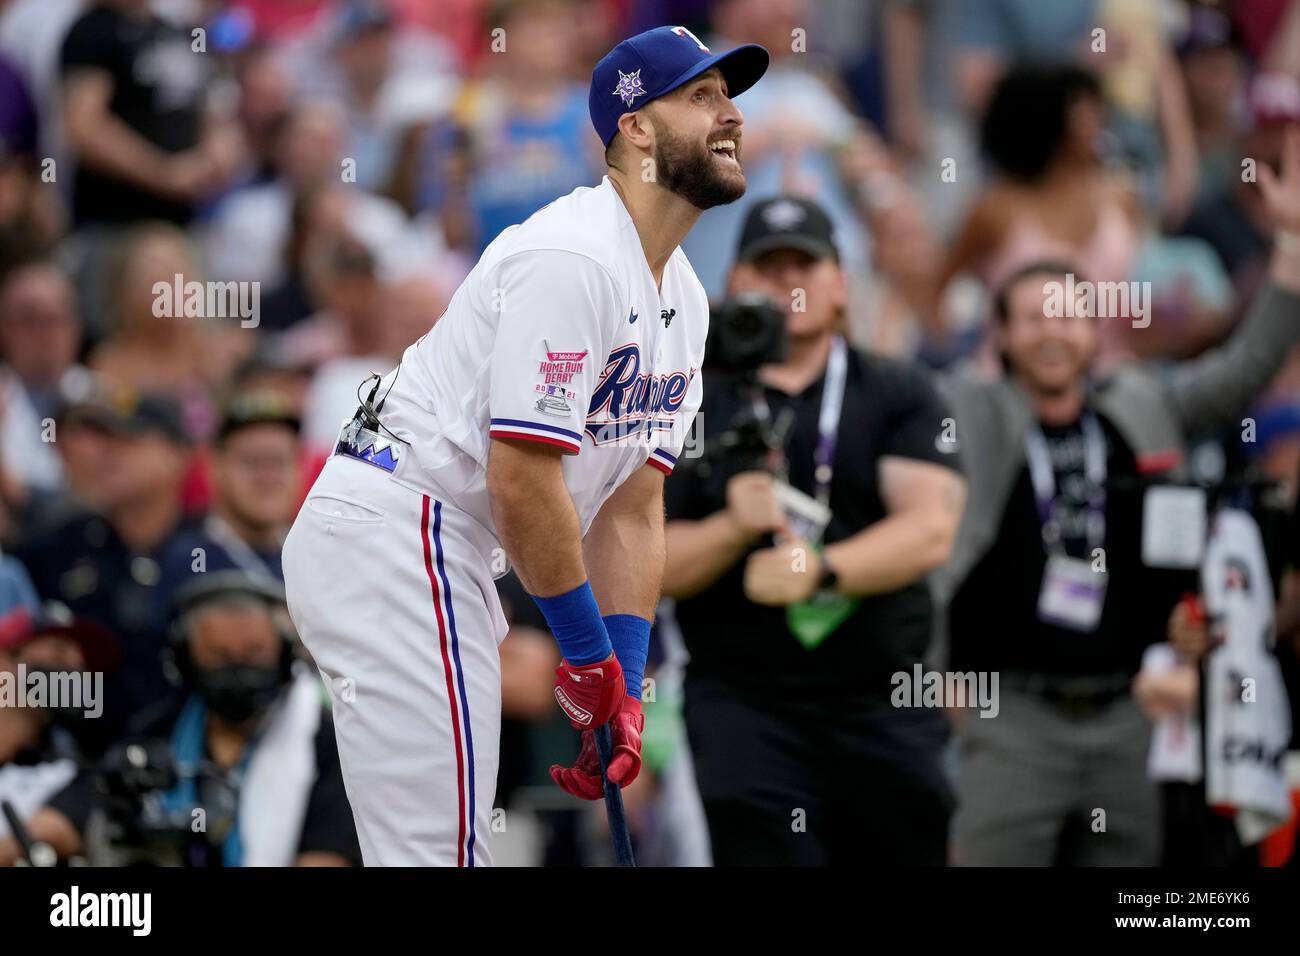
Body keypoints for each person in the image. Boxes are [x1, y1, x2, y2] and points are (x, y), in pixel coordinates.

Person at [282, 25, 769, 866]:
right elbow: (522, 479)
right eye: (702, 96)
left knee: (440, 849)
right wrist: (583, 659)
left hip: (443, 543)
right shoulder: (571, 255)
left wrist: (621, 674)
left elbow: (632, 503)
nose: (730, 115)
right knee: (442, 853)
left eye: (730, 97)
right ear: (637, 128)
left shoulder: (685, 298)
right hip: (402, 522)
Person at [938, 125, 1300, 866]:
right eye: (1032, 318)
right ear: (1000, 339)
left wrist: (1291, 246)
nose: (1051, 333)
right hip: (1011, 718)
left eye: (1067, 314)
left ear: (1094, 331)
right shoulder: (966, 415)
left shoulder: (1141, 404)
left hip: (1131, 714)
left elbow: (1245, 370)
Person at [662, 195, 966, 865]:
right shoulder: (686, 398)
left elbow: (930, 529)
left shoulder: (897, 390)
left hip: (880, 698)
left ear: (841, 283)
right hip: (746, 702)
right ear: (736, 281)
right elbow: (644, 559)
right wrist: (731, 531)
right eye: (769, 267)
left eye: (806, 262)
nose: (788, 280)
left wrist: (824, 570)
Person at [106, 571, 360, 866]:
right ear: (185, 659)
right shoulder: (151, 736)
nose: (238, 670)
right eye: (218, 656)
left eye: (254, 653)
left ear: (284, 655)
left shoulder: (328, 742)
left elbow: (326, 859)